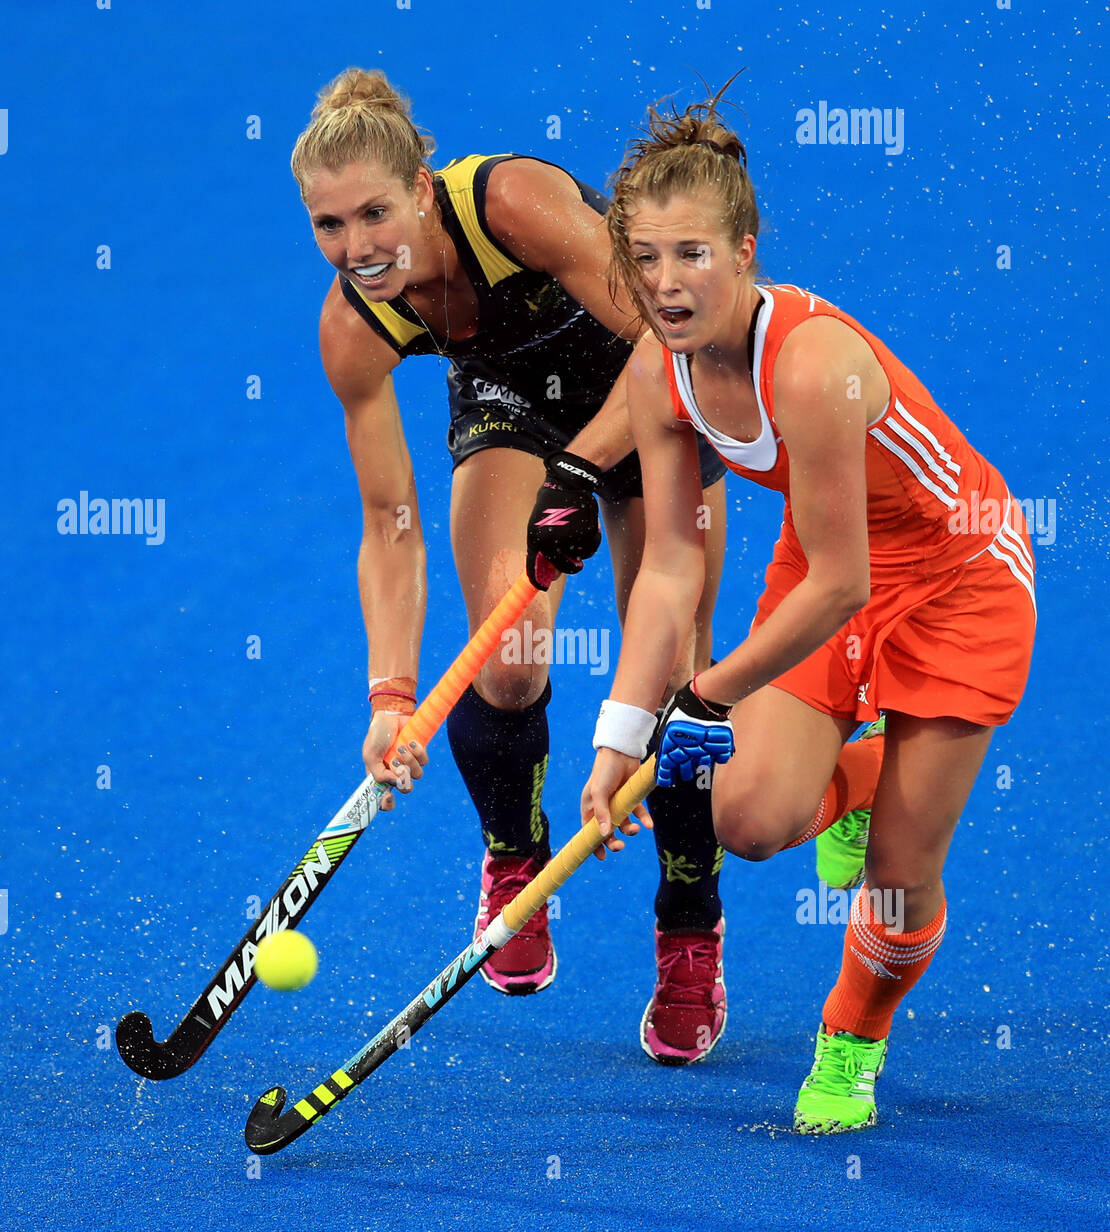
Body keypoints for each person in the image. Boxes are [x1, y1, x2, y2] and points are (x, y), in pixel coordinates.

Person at [578, 93, 1036, 1132]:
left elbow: (844, 585)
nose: (665, 284)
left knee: (901, 876)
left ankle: (851, 1036)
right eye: (643, 259)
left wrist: (707, 692)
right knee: (748, 817)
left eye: (690, 254)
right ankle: (873, 773)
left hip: (961, 575)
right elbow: (667, 570)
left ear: (746, 247)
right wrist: (619, 742)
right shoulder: (660, 371)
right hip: (835, 551)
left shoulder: (814, 365)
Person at [290, 68, 734, 1058]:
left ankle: (688, 933)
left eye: (372, 212)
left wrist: (584, 468)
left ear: (420, 185)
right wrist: (391, 695)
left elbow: (667, 344)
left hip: (659, 386)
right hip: (514, 401)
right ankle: (512, 853)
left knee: (672, 688)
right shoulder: (352, 330)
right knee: (505, 652)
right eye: (328, 226)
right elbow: (390, 519)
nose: (357, 248)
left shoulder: (512, 203)